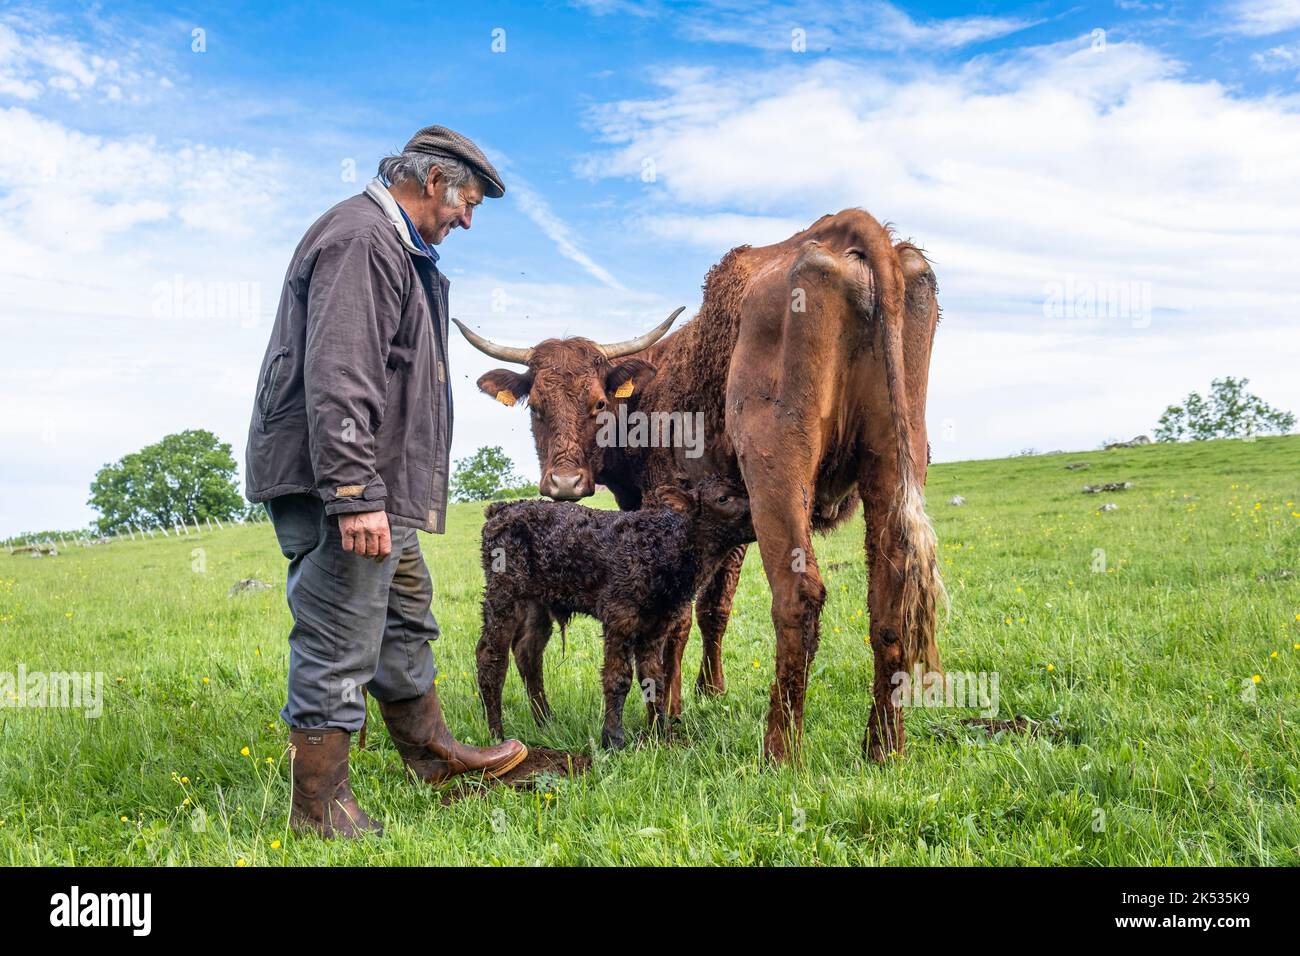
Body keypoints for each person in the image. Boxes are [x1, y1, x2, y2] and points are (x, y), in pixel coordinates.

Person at [245, 125, 526, 838]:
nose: (469, 217)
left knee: (404, 613)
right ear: (434, 183)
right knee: (340, 629)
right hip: (345, 485)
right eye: (469, 200)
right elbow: (341, 375)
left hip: (379, 483)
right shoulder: (364, 240)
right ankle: (319, 810)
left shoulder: (395, 245)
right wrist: (354, 494)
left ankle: (431, 755)